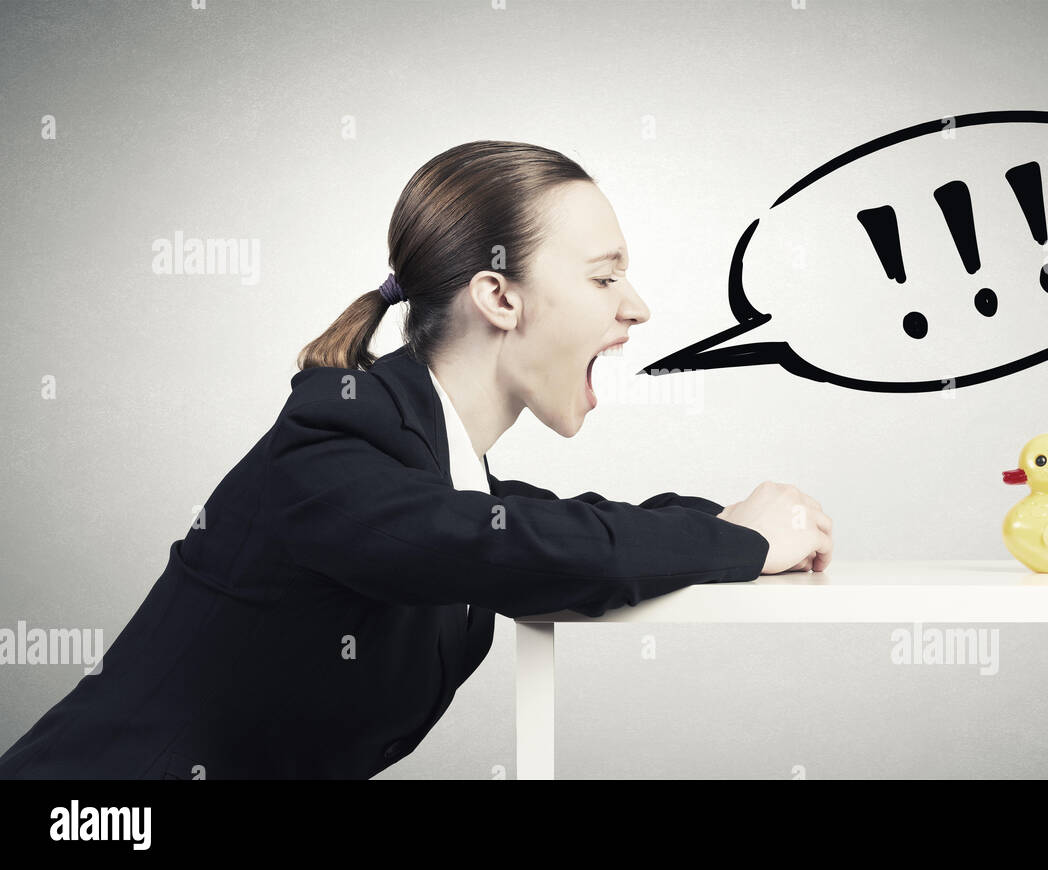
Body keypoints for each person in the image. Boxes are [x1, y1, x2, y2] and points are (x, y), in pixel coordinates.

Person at [0, 141, 833, 779]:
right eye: (604, 277)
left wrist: (726, 526)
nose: (637, 308)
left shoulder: (439, 479)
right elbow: (516, 548)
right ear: (498, 296)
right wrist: (744, 544)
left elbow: (556, 527)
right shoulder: (332, 451)